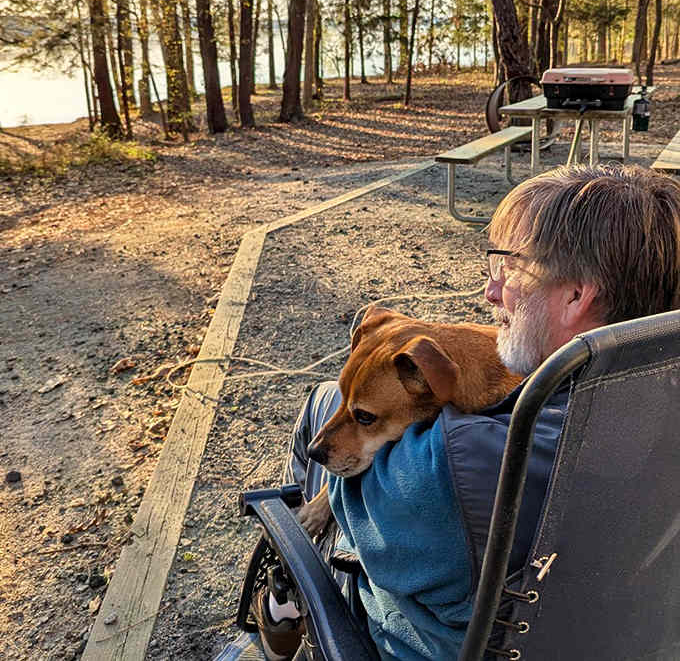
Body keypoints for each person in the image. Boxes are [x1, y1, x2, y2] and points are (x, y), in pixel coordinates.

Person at [237, 163, 680, 661]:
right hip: (609, 630)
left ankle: (280, 605)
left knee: (319, 418)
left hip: (420, 643)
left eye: (511, 269)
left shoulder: (453, 461)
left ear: (577, 296)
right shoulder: (658, 400)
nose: (491, 292)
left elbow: (347, 465)